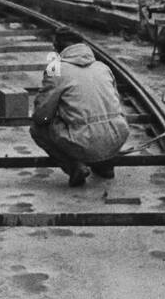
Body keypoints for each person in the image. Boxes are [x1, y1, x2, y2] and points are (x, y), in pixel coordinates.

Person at [30, 29, 130, 187]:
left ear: (57, 48)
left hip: (84, 141)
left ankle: (75, 167)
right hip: (117, 136)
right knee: (100, 116)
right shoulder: (102, 67)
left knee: (38, 128)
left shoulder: (56, 70)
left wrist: (54, 115)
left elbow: (42, 115)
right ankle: (104, 165)